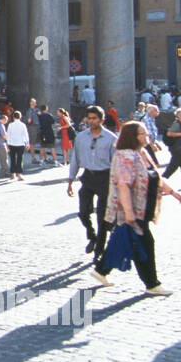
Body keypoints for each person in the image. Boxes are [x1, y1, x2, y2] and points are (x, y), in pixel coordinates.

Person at [88, 120, 181, 295]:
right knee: (144, 244)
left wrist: (172, 191)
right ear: (133, 136)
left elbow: (155, 177)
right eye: (143, 134)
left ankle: (101, 270)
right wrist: (129, 213)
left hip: (144, 207)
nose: (147, 136)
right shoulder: (125, 156)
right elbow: (123, 185)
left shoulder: (142, 153)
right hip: (131, 210)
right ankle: (152, 284)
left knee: (126, 240)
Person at [67, 105, 117, 260]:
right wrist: (70, 180)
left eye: (94, 118)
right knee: (83, 213)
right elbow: (75, 159)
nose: (91, 121)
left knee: (102, 218)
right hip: (88, 176)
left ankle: (99, 251)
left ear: (101, 119)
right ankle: (92, 236)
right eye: (89, 118)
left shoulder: (111, 139)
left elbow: (116, 164)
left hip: (105, 178)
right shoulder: (81, 137)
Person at [161, 107, 181, 189]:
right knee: (173, 165)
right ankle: (161, 181)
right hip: (177, 149)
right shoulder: (176, 124)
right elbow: (169, 133)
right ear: (179, 115)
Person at [5, 111, 30, 180]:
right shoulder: (23, 125)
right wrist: (27, 143)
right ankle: (19, 174)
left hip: (12, 143)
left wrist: (7, 144)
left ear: (13, 117)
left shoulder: (10, 125)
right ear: (20, 117)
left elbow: (8, 135)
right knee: (19, 159)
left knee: (12, 159)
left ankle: (13, 174)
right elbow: (26, 134)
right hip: (20, 143)